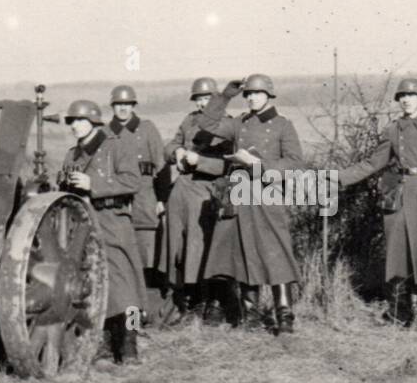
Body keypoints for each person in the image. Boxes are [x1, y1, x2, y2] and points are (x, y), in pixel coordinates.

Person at [337, 78, 417, 341]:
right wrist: (337, 177)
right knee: (401, 256)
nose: (405, 100)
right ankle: (402, 316)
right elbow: (373, 163)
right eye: (401, 96)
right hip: (402, 198)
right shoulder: (394, 130)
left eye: (411, 95)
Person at [192, 74, 303, 334]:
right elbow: (206, 125)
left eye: (257, 93)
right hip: (240, 195)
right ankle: (250, 313)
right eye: (248, 94)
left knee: (276, 252)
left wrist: (258, 165)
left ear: (269, 95)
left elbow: (295, 163)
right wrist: (225, 96)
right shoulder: (239, 124)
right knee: (244, 252)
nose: (251, 97)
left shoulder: (282, 125)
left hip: (267, 194)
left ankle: (284, 314)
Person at [59, 99, 147, 365]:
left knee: (127, 289)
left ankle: (130, 344)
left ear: (95, 121)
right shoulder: (72, 154)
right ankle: (106, 343)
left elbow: (133, 181)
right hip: (84, 222)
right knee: (96, 284)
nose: (75, 126)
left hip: (113, 219)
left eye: (80, 120)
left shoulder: (115, 147)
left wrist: (93, 183)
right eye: (71, 121)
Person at [159, 77, 237, 323]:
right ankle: (177, 298)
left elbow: (229, 164)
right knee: (174, 244)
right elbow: (170, 145)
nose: (203, 103)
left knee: (197, 245)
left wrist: (200, 162)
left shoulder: (229, 125)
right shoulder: (190, 120)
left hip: (205, 189)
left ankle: (199, 301)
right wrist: (176, 152)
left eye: (208, 99)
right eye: (200, 99)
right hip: (180, 188)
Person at [107, 85, 168, 324]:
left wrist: (162, 200)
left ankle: (148, 315)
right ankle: (123, 317)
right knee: (121, 261)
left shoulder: (147, 129)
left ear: (134, 106)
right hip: (117, 202)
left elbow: (162, 167)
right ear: (113, 106)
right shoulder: (105, 132)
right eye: (119, 104)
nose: (123, 108)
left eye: (128, 104)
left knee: (147, 259)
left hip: (145, 199)